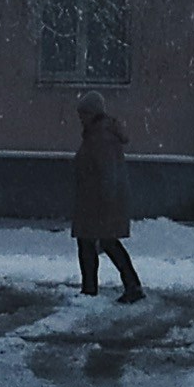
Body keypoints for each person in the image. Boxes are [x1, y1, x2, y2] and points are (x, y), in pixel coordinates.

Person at [68, 100, 143, 300]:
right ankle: (128, 285)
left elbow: (107, 171)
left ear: (92, 113)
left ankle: (94, 289)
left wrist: (105, 199)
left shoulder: (100, 137)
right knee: (103, 242)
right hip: (97, 199)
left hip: (98, 201)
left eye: (83, 114)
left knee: (96, 242)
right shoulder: (100, 134)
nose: (80, 119)